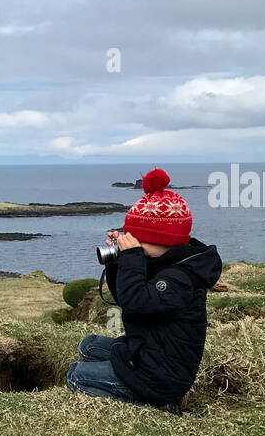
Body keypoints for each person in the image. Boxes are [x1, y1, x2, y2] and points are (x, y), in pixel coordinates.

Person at [66, 168, 223, 412]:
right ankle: (131, 382)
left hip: (161, 377)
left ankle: (156, 405)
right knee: (89, 346)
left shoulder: (180, 278)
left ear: (165, 241)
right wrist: (118, 262)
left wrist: (132, 259)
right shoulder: (165, 262)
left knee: (76, 375)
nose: (135, 243)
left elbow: (136, 303)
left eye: (140, 240)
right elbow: (125, 296)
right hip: (148, 353)